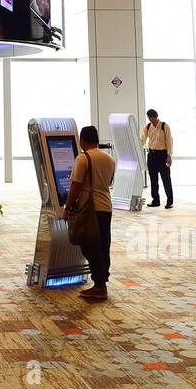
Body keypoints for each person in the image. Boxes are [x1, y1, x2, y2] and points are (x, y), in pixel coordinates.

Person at [62, 125, 115, 301]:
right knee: (103, 244)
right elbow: (109, 181)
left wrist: (67, 207)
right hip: (106, 206)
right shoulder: (109, 159)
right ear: (98, 140)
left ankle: (99, 285)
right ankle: (102, 281)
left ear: (82, 141)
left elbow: (76, 185)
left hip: (90, 208)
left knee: (88, 244)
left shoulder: (83, 158)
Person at [141, 108, 174, 209]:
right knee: (153, 179)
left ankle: (170, 201)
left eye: (151, 118)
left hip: (162, 155)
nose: (150, 120)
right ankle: (156, 200)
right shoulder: (147, 127)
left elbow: (169, 141)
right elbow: (142, 140)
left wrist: (169, 155)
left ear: (155, 117)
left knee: (166, 179)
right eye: (149, 118)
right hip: (151, 155)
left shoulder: (164, 126)